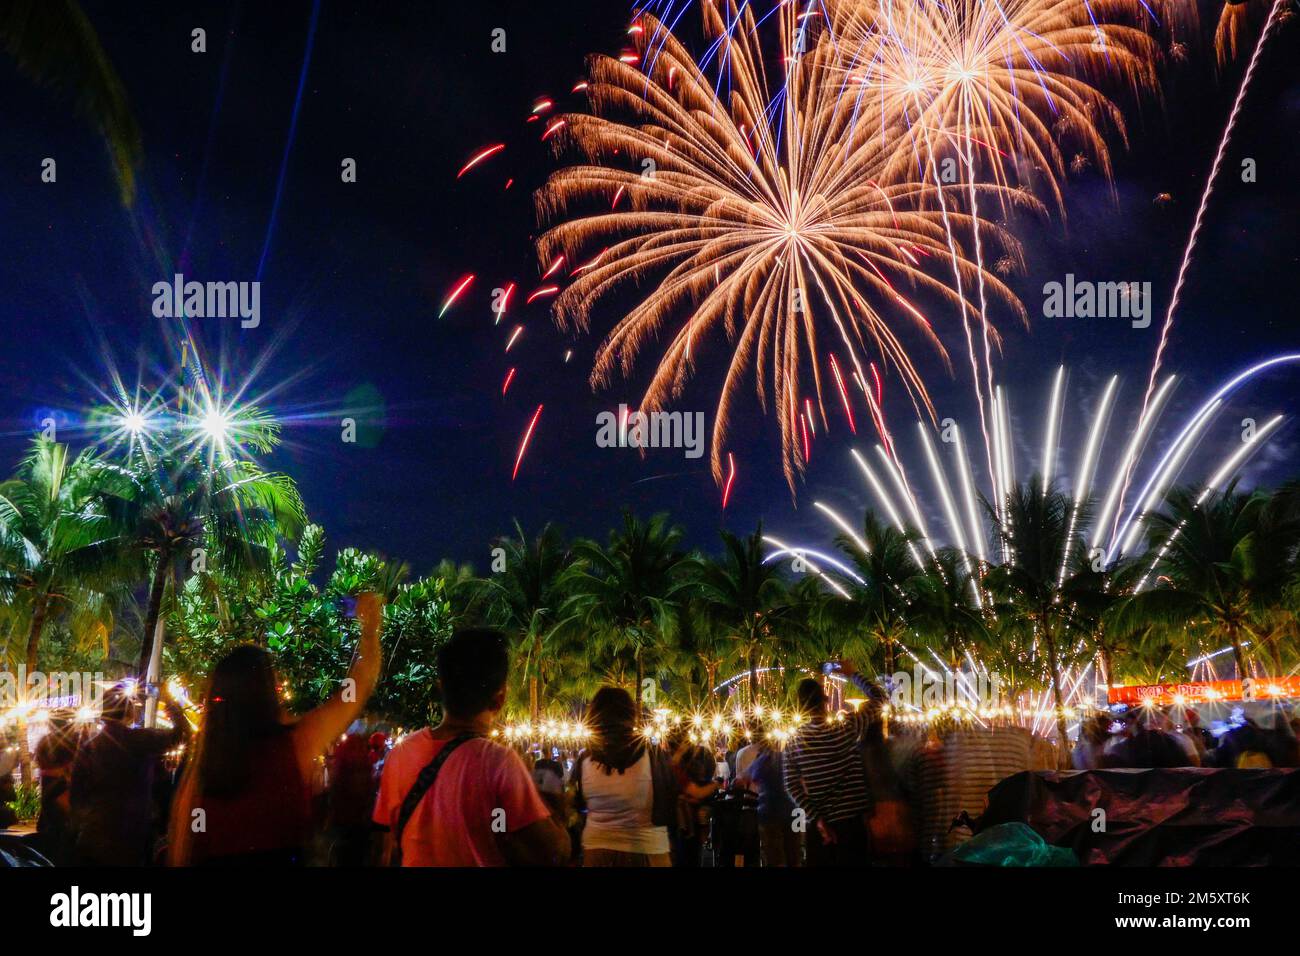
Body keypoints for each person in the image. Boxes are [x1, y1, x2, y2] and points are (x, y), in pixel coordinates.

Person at [167, 592, 384, 865]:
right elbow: (358, 687)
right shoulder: (293, 746)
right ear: (267, 693)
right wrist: (370, 629)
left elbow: (182, 850)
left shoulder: (202, 767)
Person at [373, 628, 570, 866]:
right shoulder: (499, 762)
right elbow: (554, 852)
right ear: (500, 697)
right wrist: (550, 798)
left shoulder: (401, 754)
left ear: (441, 687)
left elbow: (384, 844)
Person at [69, 683, 189, 866]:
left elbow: (76, 798)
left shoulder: (88, 747)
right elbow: (182, 734)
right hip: (132, 836)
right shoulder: (139, 740)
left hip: (95, 838)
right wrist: (169, 701)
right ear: (129, 711)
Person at [572, 686, 676, 866]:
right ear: (630, 715)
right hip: (647, 849)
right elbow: (668, 801)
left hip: (597, 851)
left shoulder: (585, 758)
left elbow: (578, 803)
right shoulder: (651, 754)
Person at [783, 663, 874, 867]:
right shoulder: (846, 728)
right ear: (825, 701)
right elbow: (880, 699)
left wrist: (818, 818)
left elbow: (791, 785)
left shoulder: (795, 741)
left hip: (820, 827)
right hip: (852, 823)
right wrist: (853, 674)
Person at [740, 732, 801, 866]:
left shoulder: (763, 759)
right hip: (797, 814)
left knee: (774, 856)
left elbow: (743, 778)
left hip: (770, 813)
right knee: (796, 854)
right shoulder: (793, 757)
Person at [666, 725, 718, 867]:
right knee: (688, 856)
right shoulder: (675, 767)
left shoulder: (666, 762)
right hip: (682, 822)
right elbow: (697, 792)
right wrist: (716, 785)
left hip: (676, 822)